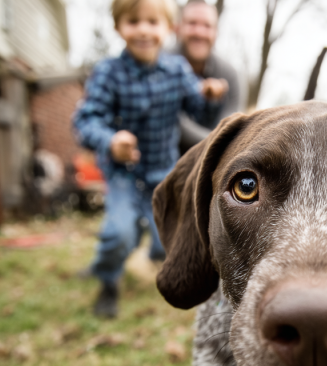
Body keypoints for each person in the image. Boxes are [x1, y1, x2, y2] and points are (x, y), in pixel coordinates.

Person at [73, 0, 228, 318]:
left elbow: (198, 109)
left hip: (162, 172)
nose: (143, 29)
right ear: (119, 27)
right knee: (119, 234)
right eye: (133, 21)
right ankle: (107, 282)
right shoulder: (108, 73)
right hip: (123, 175)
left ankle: (140, 232)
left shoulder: (176, 70)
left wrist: (209, 97)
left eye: (152, 22)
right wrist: (111, 140)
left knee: (166, 242)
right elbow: (85, 121)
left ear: (168, 28)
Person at [171, 0, 241, 154]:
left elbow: (231, 127)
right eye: (192, 23)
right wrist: (217, 142)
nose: (199, 32)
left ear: (216, 32)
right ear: (178, 28)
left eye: (207, 26)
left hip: (211, 159)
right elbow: (171, 121)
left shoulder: (230, 75)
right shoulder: (161, 64)